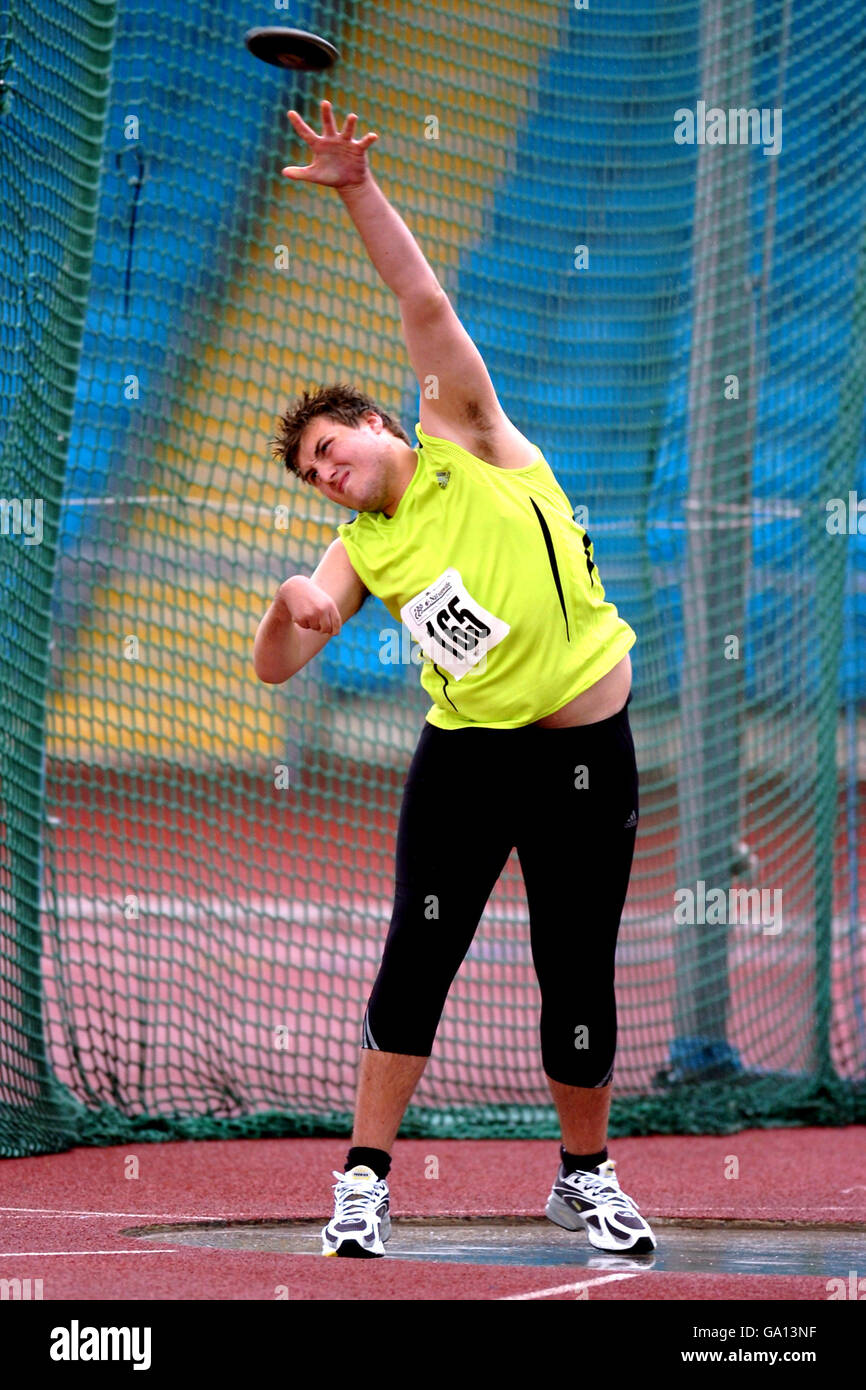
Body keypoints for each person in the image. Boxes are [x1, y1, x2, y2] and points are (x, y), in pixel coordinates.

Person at [254, 100, 656, 1260]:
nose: (328, 476)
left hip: (582, 746)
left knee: (573, 965)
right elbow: (285, 659)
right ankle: (363, 1184)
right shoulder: (362, 547)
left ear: (384, 423)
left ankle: (583, 1178)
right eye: (314, 477)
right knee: (416, 953)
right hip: (468, 759)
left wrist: (353, 191)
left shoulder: (468, 432)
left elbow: (422, 304)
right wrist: (290, 610)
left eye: (333, 449)